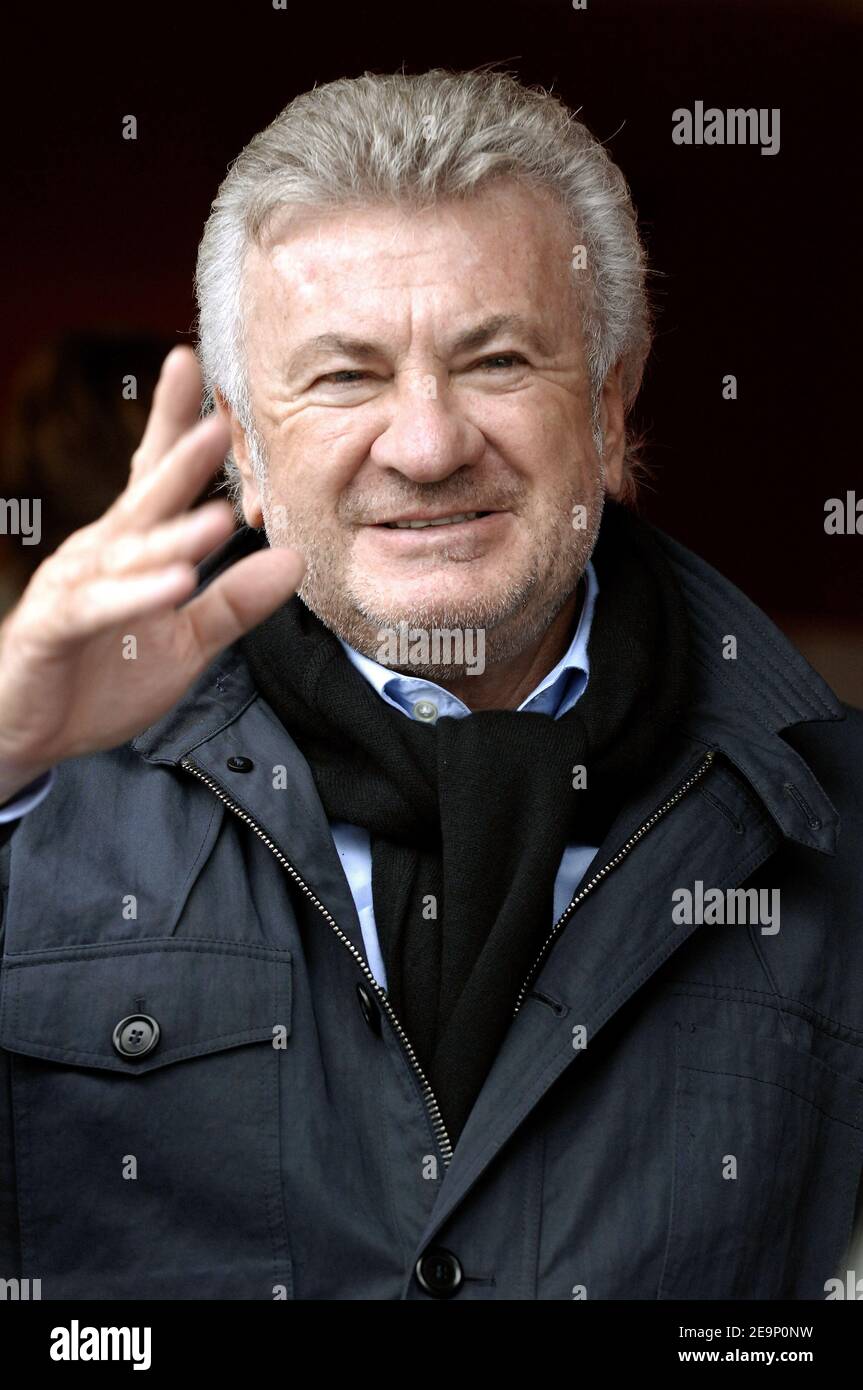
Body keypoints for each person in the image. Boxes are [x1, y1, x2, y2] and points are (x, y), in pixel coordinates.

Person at [0, 69, 861, 1302]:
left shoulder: (835, 816)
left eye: (497, 359)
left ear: (610, 412)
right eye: (344, 376)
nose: (425, 443)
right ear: (242, 446)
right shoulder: (31, 796)